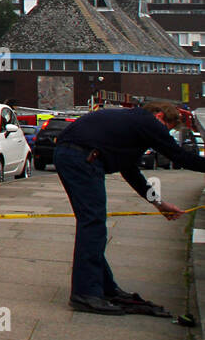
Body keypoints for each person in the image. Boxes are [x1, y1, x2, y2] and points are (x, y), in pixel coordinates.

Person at [53, 103, 205, 315]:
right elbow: (180, 156)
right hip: (82, 158)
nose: (164, 134)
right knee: (93, 223)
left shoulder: (131, 125)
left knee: (92, 223)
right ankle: (85, 293)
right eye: (167, 128)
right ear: (159, 116)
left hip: (71, 154)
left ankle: (103, 287)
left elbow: (131, 172)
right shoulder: (148, 122)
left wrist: (159, 204)